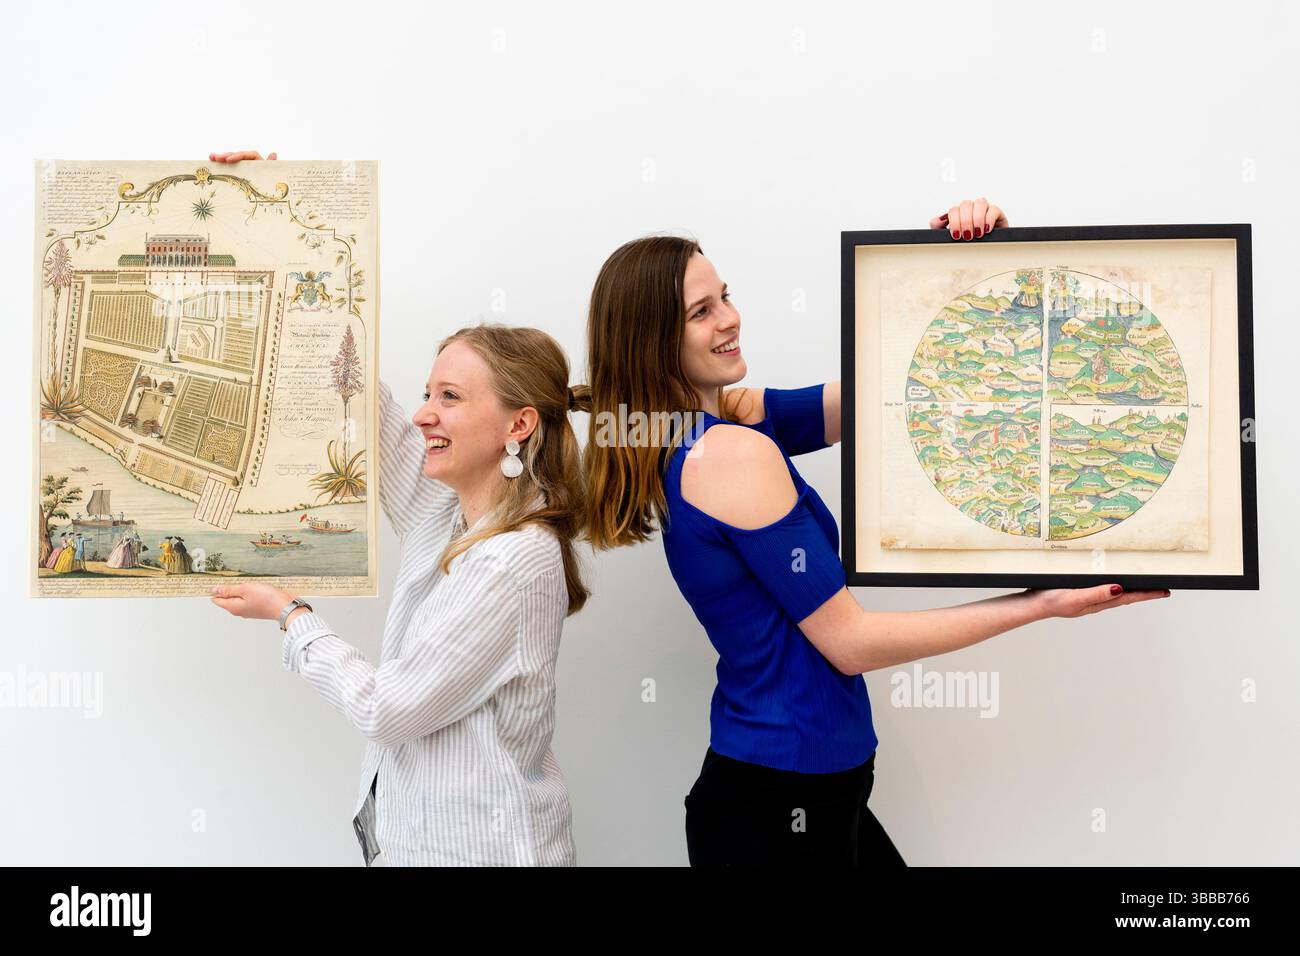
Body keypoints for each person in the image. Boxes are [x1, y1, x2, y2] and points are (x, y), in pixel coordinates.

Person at [580, 204, 1171, 866]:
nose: (730, 318)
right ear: (652, 341)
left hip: (813, 789)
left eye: (726, 297)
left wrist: (955, 268)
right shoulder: (728, 455)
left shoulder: (725, 424)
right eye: (701, 312)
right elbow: (851, 644)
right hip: (776, 807)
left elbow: (892, 390)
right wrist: (1041, 603)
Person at [210, 298, 590, 862]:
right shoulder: (443, 511)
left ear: (519, 424)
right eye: (427, 394)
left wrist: (292, 616)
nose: (423, 415)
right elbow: (374, 409)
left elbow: (386, 709)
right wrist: (305, 290)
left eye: (450, 397)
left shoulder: (514, 563)